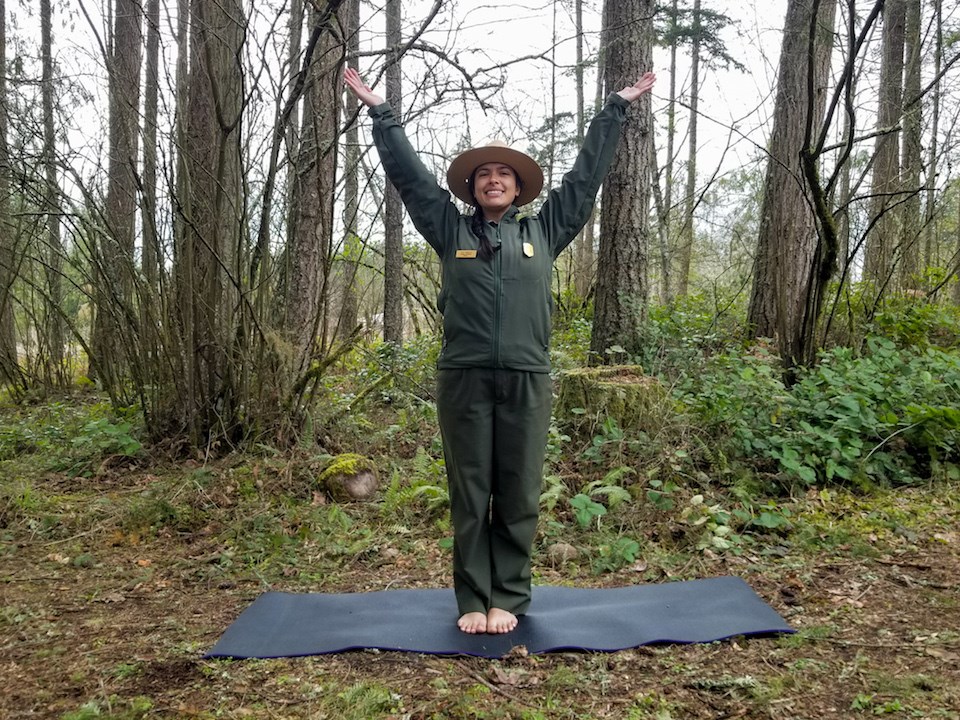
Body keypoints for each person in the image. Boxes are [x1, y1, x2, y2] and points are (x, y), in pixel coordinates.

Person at [344, 66, 656, 634]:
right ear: (472, 188)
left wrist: (614, 108)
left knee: (518, 490)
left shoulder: (545, 231)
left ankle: (506, 598)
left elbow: (585, 181)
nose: (493, 180)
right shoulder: (449, 229)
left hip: (527, 377)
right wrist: (381, 113)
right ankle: (471, 596)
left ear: (517, 189)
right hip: (463, 377)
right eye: (483, 174)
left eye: (503, 175)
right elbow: (411, 179)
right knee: (469, 489)